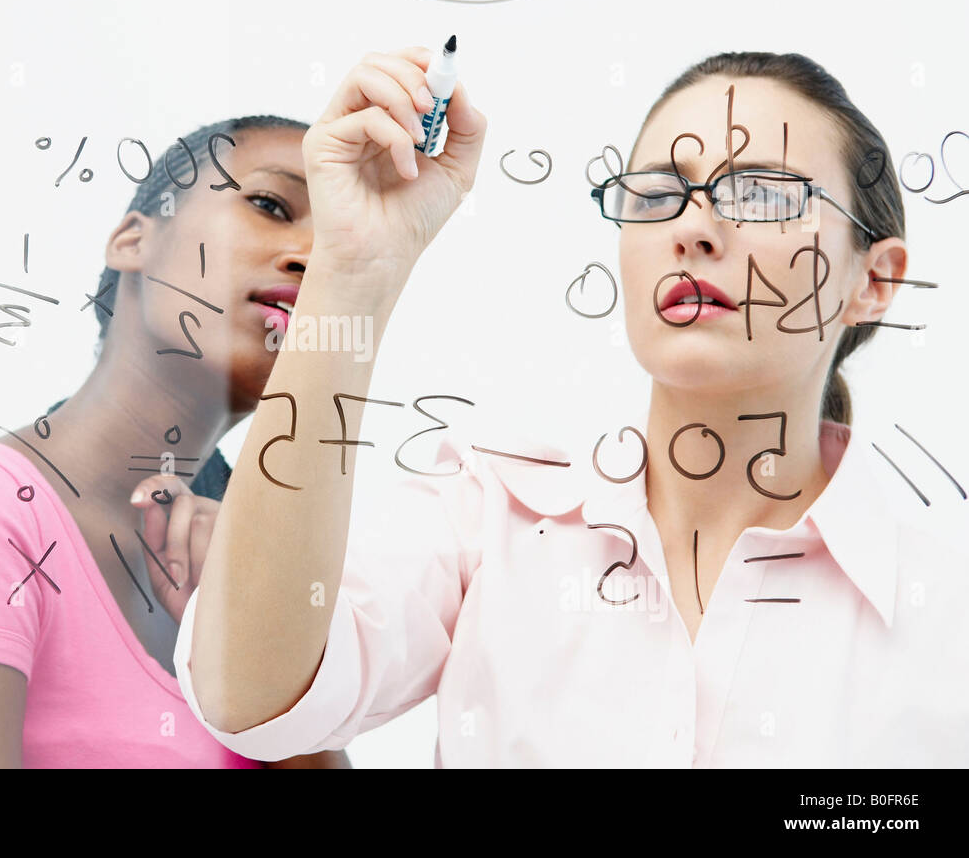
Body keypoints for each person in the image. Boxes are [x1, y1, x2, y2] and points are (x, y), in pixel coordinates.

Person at [169, 47, 969, 767]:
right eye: (658, 194)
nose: (695, 227)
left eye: (759, 194)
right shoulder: (491, 518)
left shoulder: (946, 617)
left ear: (876, 279)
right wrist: (350, 273)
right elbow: (251, 697)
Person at [0, 115, 348, 767]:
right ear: (131, 241)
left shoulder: (261, 565)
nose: (312, 259)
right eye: (269, 204)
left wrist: (262, 627)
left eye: (341, 250)